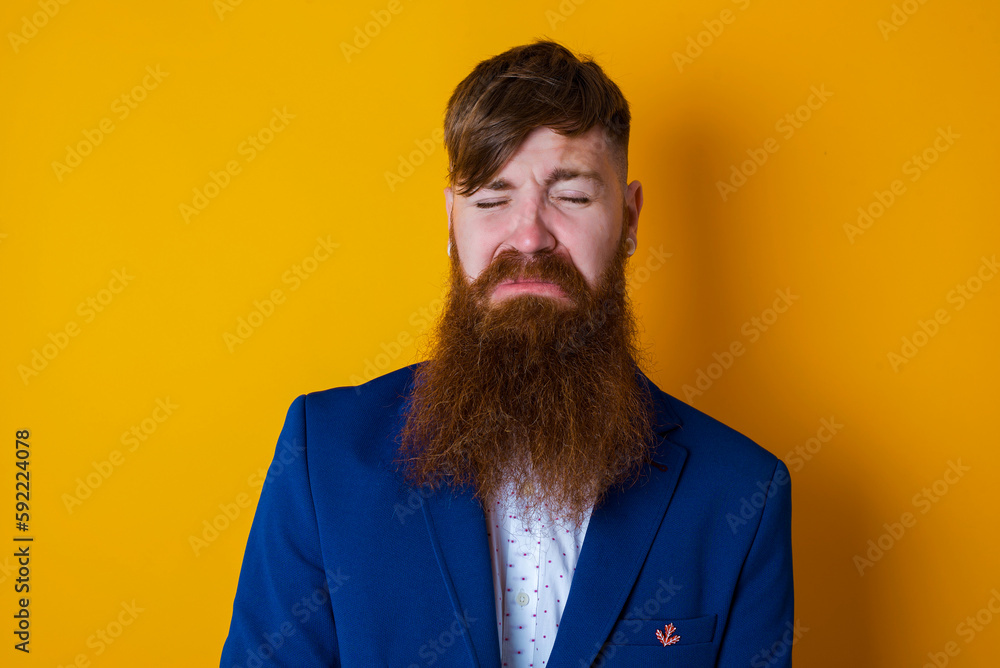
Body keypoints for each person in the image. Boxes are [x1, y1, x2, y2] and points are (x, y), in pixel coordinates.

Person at [220, 39, 793, 668]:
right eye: (492, 199)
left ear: (629, 220)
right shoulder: (323, 457)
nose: (528, 236)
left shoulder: (743, 492)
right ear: (450, 224)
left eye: (572, 196)